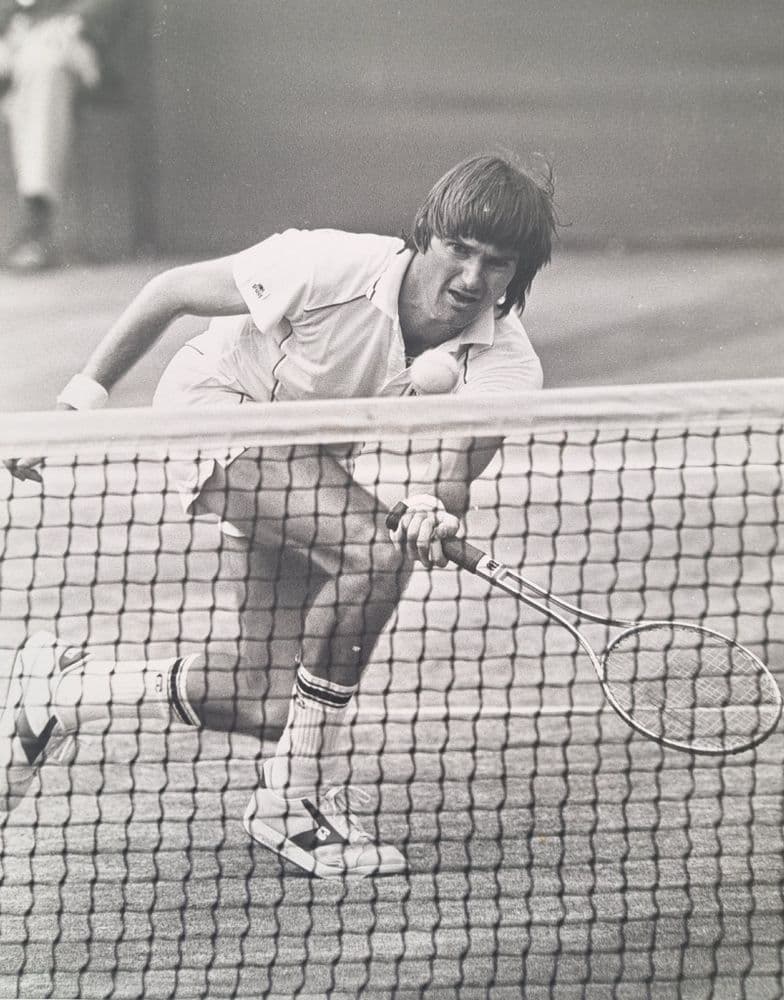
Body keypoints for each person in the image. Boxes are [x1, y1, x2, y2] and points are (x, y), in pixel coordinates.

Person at [2, 152, 557, 879]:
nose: (471, 279)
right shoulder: (325, 263)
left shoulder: (508, 362)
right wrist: (78, 403)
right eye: (460, 249)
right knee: (376, 555)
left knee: (268, 699)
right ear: (427, 233)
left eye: (498, 263)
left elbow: (451, 478)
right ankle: (291, 804)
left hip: (309, 463)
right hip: (218, 411)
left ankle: (65, 692)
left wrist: (430, 509)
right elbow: (169, 292)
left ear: (520, 273)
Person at [0, 0, 131, 271]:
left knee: (44, 66)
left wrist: (77, 20)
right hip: (14, 38)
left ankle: (38, 223)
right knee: (27, 68)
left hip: (71, 38)